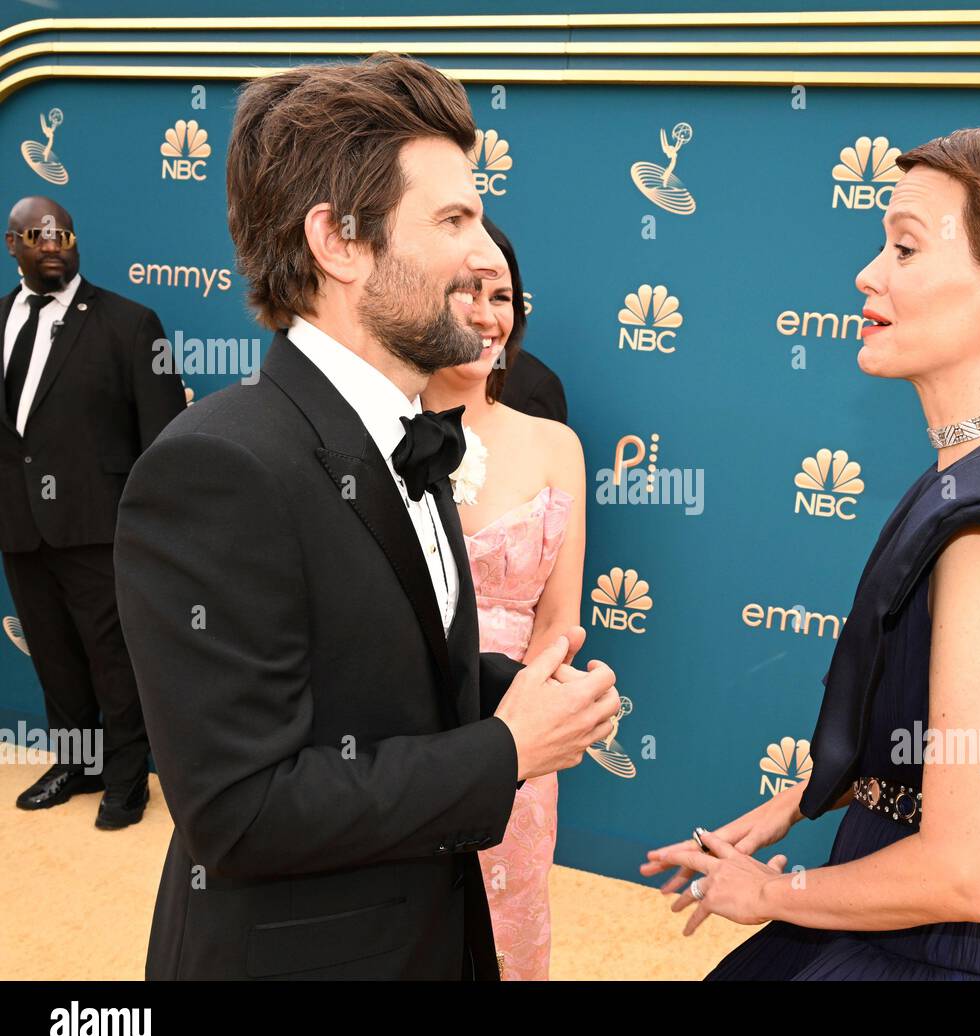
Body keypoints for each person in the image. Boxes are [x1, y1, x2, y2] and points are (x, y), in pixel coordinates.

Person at [113, 53, 620, 980]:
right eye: (454, 219)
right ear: (339, 242)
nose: (486, 255)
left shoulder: (409, 429)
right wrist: (506, 750)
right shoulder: (215, 468)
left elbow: (371, 662)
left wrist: (510, 683)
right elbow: (240, 809)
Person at [643, 128, 980, 980]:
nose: (868, 272)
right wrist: (798, 801)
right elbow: (959, 748)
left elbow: (968, 870)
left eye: (906, 246)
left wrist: (771, 892)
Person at [421, 216, 584, 980]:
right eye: (466, 290)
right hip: (401, 738)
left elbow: (559, 619)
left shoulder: (556, 444)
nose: (488, 313)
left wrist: (522, 730)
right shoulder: (369, 435)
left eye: (503, 294)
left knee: (508, 931)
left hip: (515, 734)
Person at [1, 196, 184, 828]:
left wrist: (150, 536)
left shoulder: (129, 324)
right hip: (20, 527)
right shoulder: (0, 321)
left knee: (114, 660)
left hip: (102, 530)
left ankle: (128, 780)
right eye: (36, 235)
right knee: (53, 655)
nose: (51, 244)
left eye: (62, 234)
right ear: (12, 244)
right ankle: (77, 763)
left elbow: (161, 441)